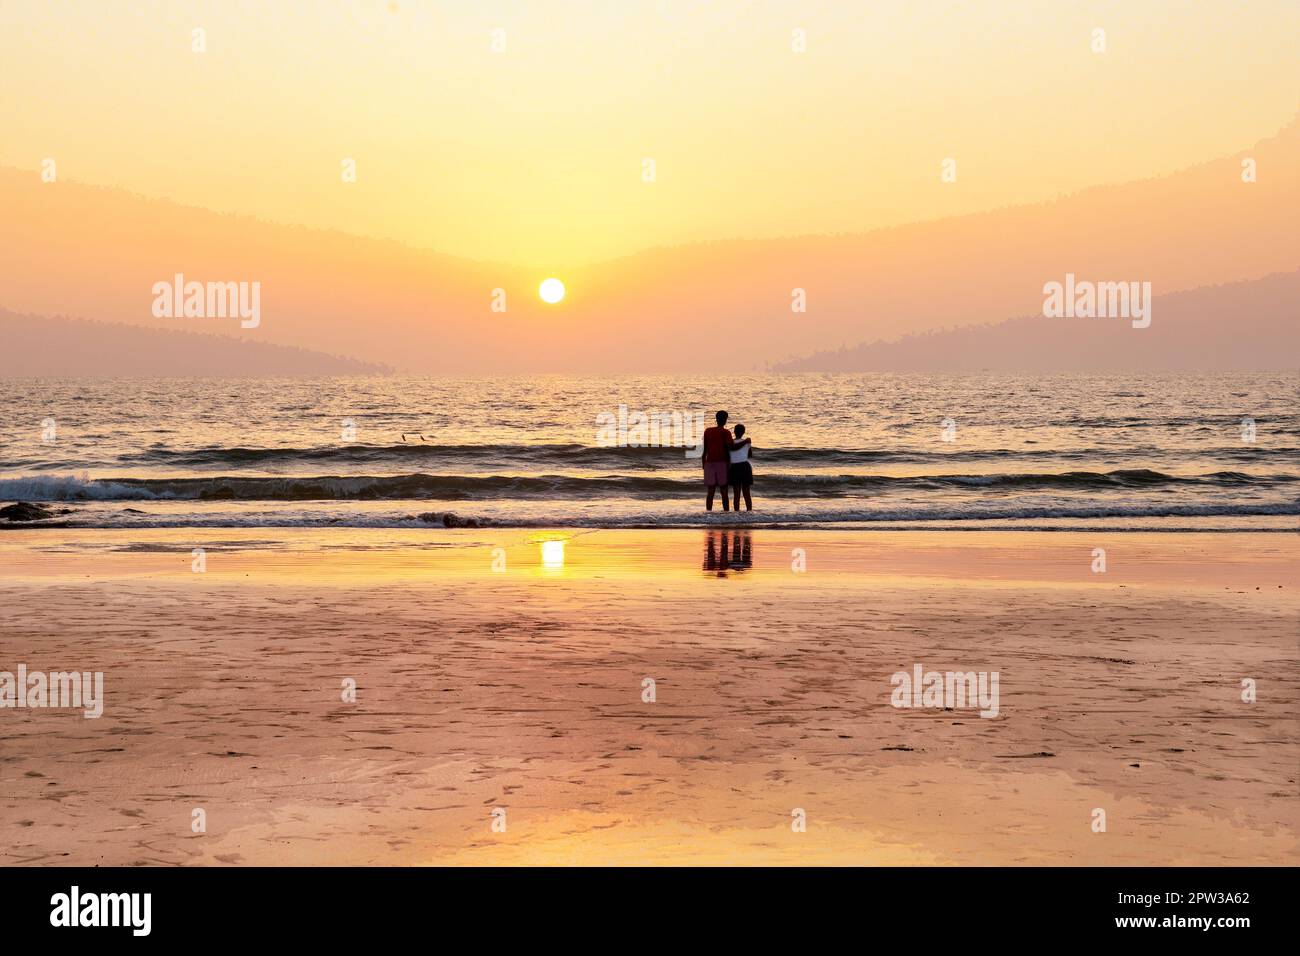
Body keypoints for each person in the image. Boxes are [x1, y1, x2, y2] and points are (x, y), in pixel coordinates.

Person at [701, 410, 734, 511]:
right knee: (724, 492)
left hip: (709, 463)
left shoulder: (707, 431)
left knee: (710, 491)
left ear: (716, 419)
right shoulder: (726, 432)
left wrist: (704, 464)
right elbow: (730, 449)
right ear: (725, 420)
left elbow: (704, 450)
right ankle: (726, 515)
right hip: (722, 464)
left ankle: (708, 514)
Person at [728, 423, 753, 511]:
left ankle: (736, 513)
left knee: (736, 494)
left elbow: (730, 452)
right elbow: (750, 455)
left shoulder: (731, 442)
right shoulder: (746, 442)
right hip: (745, 466)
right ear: (743, 432)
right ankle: (749, 512)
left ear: (734, 432)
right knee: (747, 494)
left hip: (735, 467)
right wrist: (746, 442)